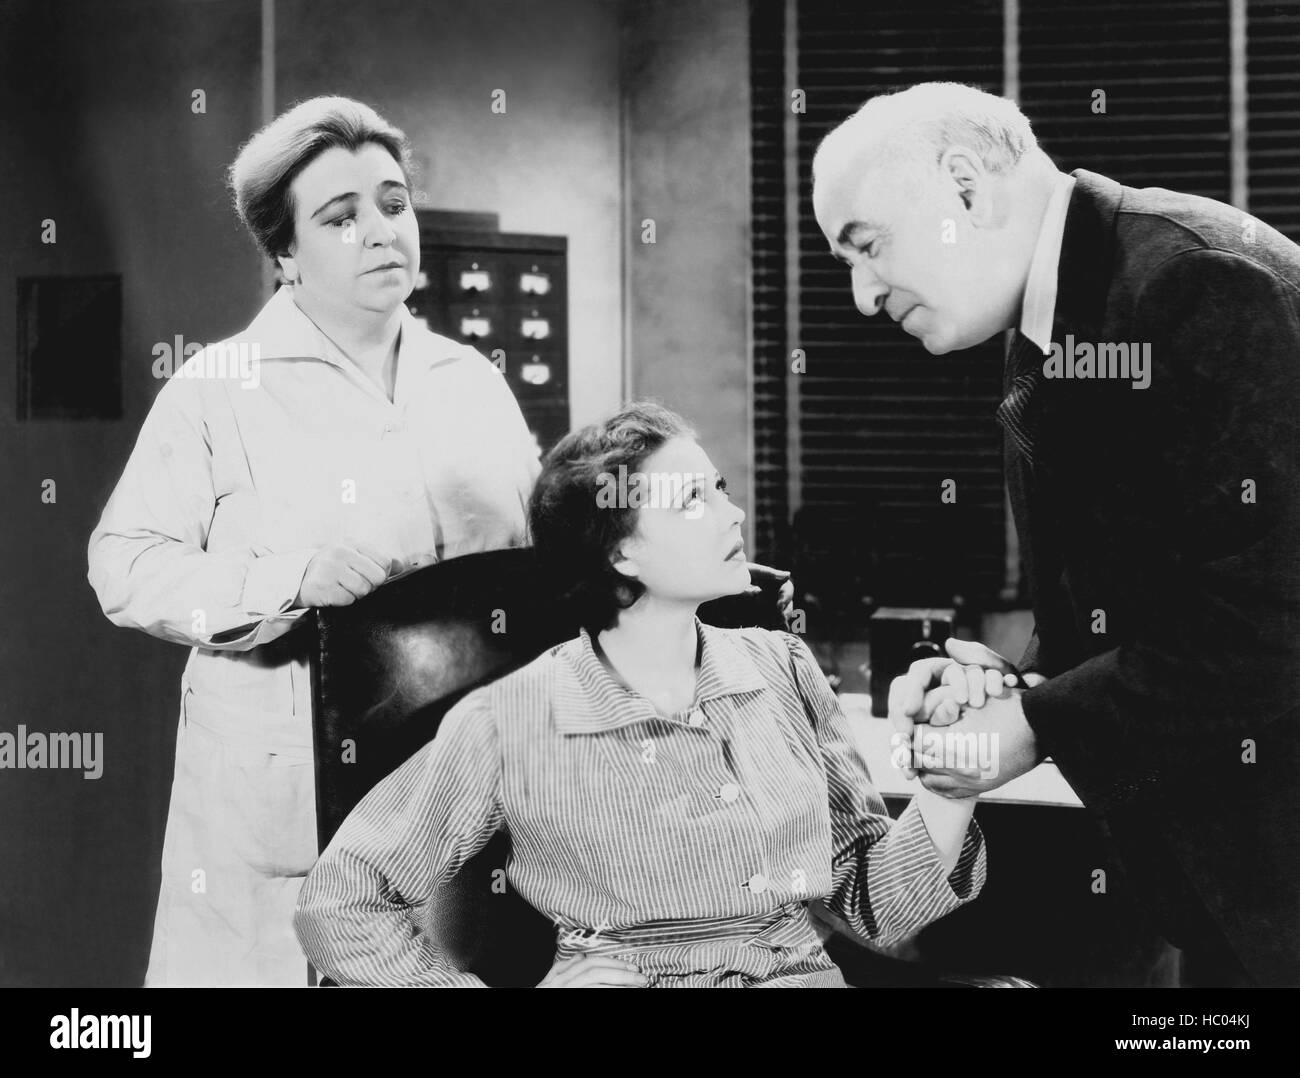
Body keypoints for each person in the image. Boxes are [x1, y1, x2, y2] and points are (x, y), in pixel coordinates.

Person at [811, 81, 1300, 986]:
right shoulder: (1052, 321)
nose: (863, 297)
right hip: (1227, 887)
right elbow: (1139, 602)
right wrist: (1003, 684)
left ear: (965, 186)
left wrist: (1033, 724)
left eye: (867, 248)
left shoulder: (1197, 280)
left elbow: (1273, 609)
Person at [293, 402, 987, 987]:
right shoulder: (511, 720)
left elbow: (878, 908)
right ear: (619, 553)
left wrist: (949, 785)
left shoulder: (783, 667)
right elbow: (341, 901)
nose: (733, 511)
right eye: (694, 500)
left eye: (718, 487)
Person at [87, 97, 541, 986]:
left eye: (392, 203)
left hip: (465, 790)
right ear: (286, 255)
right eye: (340, 218)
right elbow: (124, 563)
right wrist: (288, 579)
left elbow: (530, 573)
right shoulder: (216, 388)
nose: (379, 232)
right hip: (284, 796)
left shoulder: (473, 385)